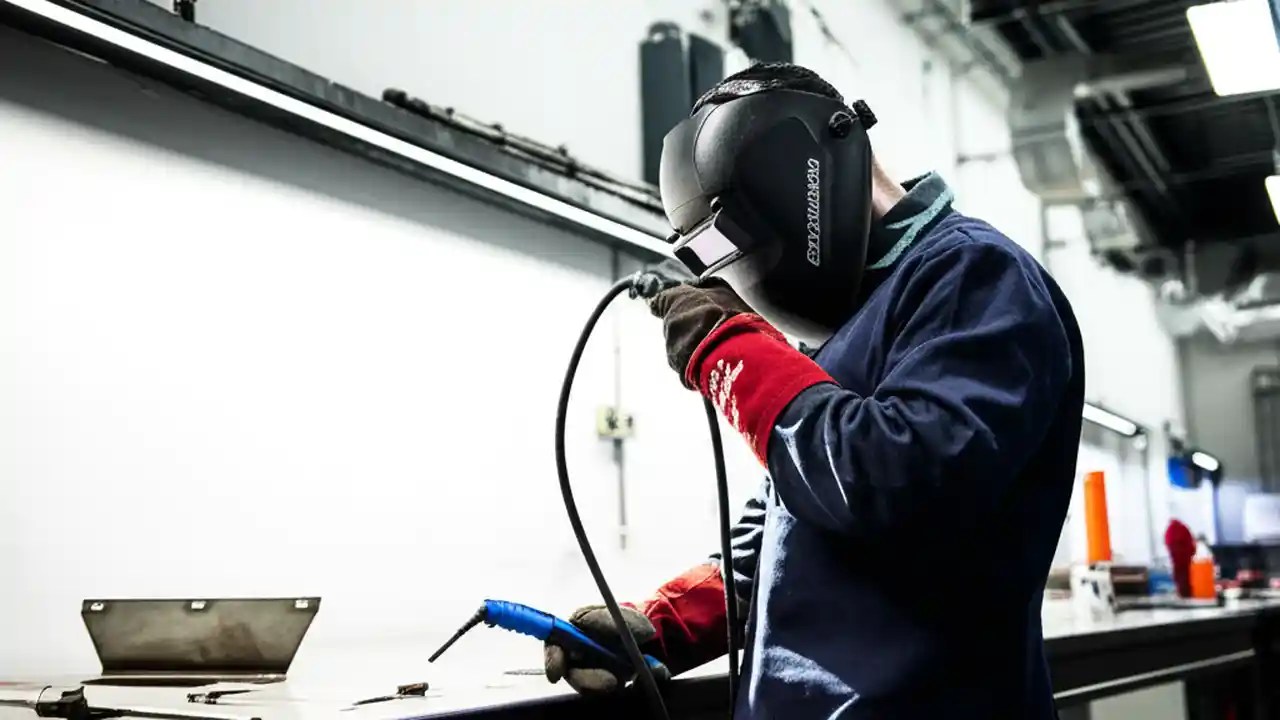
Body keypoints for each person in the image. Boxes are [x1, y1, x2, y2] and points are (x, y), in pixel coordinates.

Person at [544, 62, 1085, 719]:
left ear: (805, 167)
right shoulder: (854, 321)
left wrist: (729, 354)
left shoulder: (975, 277)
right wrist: (663, 623)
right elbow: (790, 536)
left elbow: (891, 478)